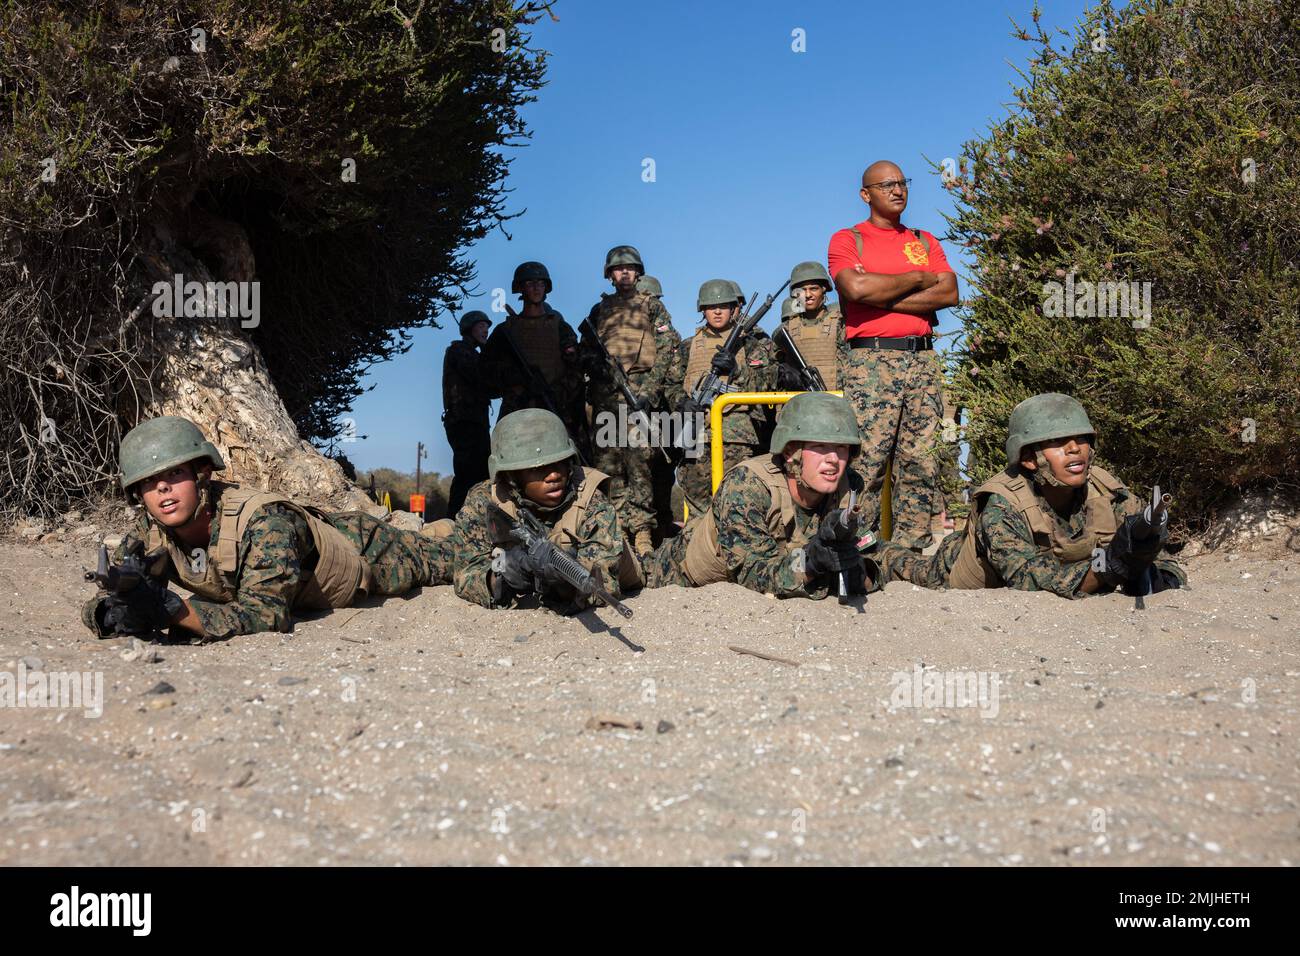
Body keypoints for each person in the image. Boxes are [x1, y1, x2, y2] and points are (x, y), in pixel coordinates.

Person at [81, 417, 453, 642]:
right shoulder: (149, 534)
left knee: (447, 559)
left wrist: (170, 610)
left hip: (365, 550)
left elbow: (267, 615)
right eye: (149, 482)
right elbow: (103, 604)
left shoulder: (263, 522)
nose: (162, 489)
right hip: (307, 562)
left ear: (201, 474)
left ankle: (441, 529)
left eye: (174, 474)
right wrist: (116, 613)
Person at [876, 393, 1187, 597]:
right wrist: (1109, 567)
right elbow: (1027, 577)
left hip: (1065, 568)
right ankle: (878, 551)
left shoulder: (1106, 489)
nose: (1074, 448)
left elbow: (1165, 561)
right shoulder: (1001, 504)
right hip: (953, 570)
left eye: (1081, 438)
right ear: (1028, 458)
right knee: (898, 564)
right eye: (1058, 442)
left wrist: (1152, 569)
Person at [828, 160, 959, 552]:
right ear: (866, 194)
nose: (897, 190)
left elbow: (949, 293)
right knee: (867, 459)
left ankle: (909, 550)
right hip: (872, 364)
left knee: (921, 458)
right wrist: (918, 281)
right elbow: (855, 288)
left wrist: (882, 296)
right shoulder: (848, 239)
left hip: (922, 361)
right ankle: (858, 547)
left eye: (902, 183)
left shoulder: (924, 240)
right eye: (886, 185)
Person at [643, 392, 879, 599]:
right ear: (790, 452)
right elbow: (753, 573)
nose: (833, 459)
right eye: (820, 448)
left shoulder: (850, 487)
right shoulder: (747, 485)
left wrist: (867, 569)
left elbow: (873, 549)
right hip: (670, 577)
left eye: (842, 448)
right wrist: (812, 561)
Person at [448, 408, 640, 613]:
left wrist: (557, 583)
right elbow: (466, 574)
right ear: (511, 475)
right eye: (537, 468)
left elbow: (603, 583)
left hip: (624, 569)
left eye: (561, 463)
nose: (554, 475)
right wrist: (510, 569)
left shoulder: (590, 497)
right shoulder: (486, 500)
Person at [579, 245, 681, 556]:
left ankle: (643, 533)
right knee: (609, 466)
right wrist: (600, 368)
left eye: (630, 268)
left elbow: (668, 349)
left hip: (640, 394)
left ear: (638, 273)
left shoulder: (652, 308)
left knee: (640, 463)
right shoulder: (599, 312)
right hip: (607, 396)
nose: (624, 273)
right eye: (618, 269)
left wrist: (650, 389)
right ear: (609, 275)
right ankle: (617, 528)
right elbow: (586, 351)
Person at [666, 278, 777, 516]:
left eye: (724, 306)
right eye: (711, 306)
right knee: (696, 500)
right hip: (695, 433)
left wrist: (738, 371)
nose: (717, 311)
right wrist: (682, 402)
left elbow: (768, 381)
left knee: (736, 500)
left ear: (733, 308)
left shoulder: (749, 344)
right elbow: (671, 384)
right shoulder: (688, 346)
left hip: (735, 434)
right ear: (702, 310)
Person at [480, 261, 585, 444]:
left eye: (541, 283)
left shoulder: (560, 326)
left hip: (554, 406)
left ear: (547, 288)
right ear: (520, 288)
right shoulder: (506, 331)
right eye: (530, 283)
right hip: (517, 410)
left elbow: (576, 366)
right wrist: (513, 378)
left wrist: (559, 392)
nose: (536, 288)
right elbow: (484, 371)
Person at [636, 274, 681, 542]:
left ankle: (661, 530)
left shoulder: (669, 337)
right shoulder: (622, 331)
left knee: (663, 475)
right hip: (626, 415)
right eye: (646, 298)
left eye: (654, 299)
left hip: (662, 414)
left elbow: (675, 377)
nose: (650, 304)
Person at [442, 310, 492, 517]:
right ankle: (454, 519)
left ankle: (473, 518)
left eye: (487, 328)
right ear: (469, 329)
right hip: (464, 422)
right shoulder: (459, 351)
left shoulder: (474, 353)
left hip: (475, 422)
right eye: (481, 326)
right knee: (466, 474)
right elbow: (481, 377)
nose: (485, 331)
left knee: (480, 474)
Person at [775, 261, 847, 391]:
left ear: (823, 290)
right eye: (802, 290)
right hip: (798, 403)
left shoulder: (840, 324)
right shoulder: (787, 329)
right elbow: (770, 370)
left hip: (833, 402)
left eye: (813, 288)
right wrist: (784, 375)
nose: (808, 295)